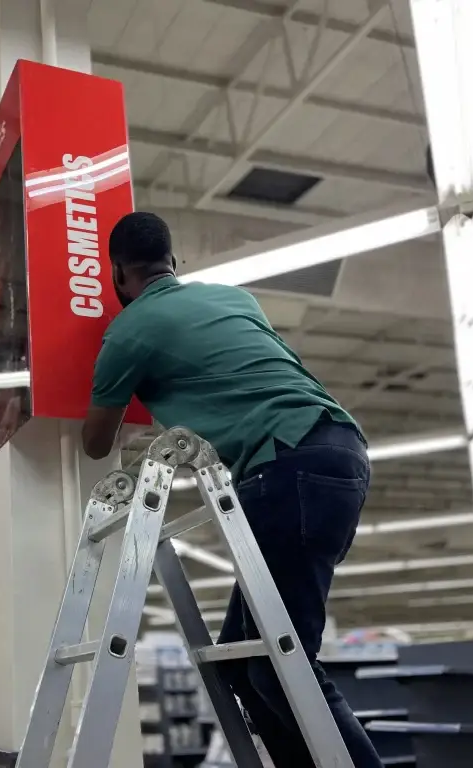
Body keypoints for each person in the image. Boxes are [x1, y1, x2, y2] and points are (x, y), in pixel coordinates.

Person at [80, 211, 383, 768]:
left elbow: (95, 442)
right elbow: (239, 378)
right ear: (174, 262)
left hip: (286, 470)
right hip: (340, 451)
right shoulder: (236, 299)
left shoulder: (129, 329)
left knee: (280, 666)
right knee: (245, 671)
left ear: (117, 273)